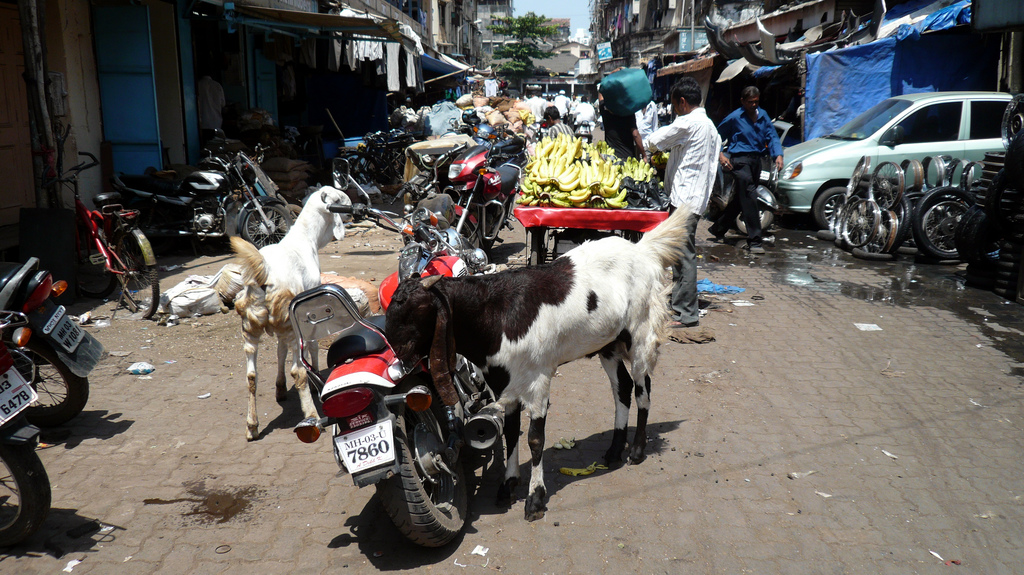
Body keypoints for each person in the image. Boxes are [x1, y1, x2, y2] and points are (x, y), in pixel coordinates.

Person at [643, 77, 721, 329]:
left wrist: (652, 147)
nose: (676, 110)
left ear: (683, 103)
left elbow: (654, 140)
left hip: (685, 198)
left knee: (684, 255)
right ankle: (680, 305)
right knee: (680, 253)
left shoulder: (689, 122)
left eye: (676, 106)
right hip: (696, 197)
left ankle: (687, 313)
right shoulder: (710, 126)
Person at [709, 86, 783, 255]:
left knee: (742, 198)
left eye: (756, 101)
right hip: (739, 161)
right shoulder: (735, 117)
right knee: (750, 195)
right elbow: (716, 137)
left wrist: (778, 155)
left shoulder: (763, 116)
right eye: (750, 102)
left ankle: (718, 228)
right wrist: (721, 155)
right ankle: (755, 241)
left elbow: (772, 137)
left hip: (757, 160)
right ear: (742, 102)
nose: (754, 105)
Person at [599, 91, 646, 162]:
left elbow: (601, 96)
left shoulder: (605, 110)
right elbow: (635, 134)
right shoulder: (629, 112)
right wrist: (644, 154)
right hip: (627, 157)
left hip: (610, 156)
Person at [197, 73, 226, 142]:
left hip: (202, 123)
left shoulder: (198, 85)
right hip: (216, 122)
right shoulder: (217, 85)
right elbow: (223, 104)